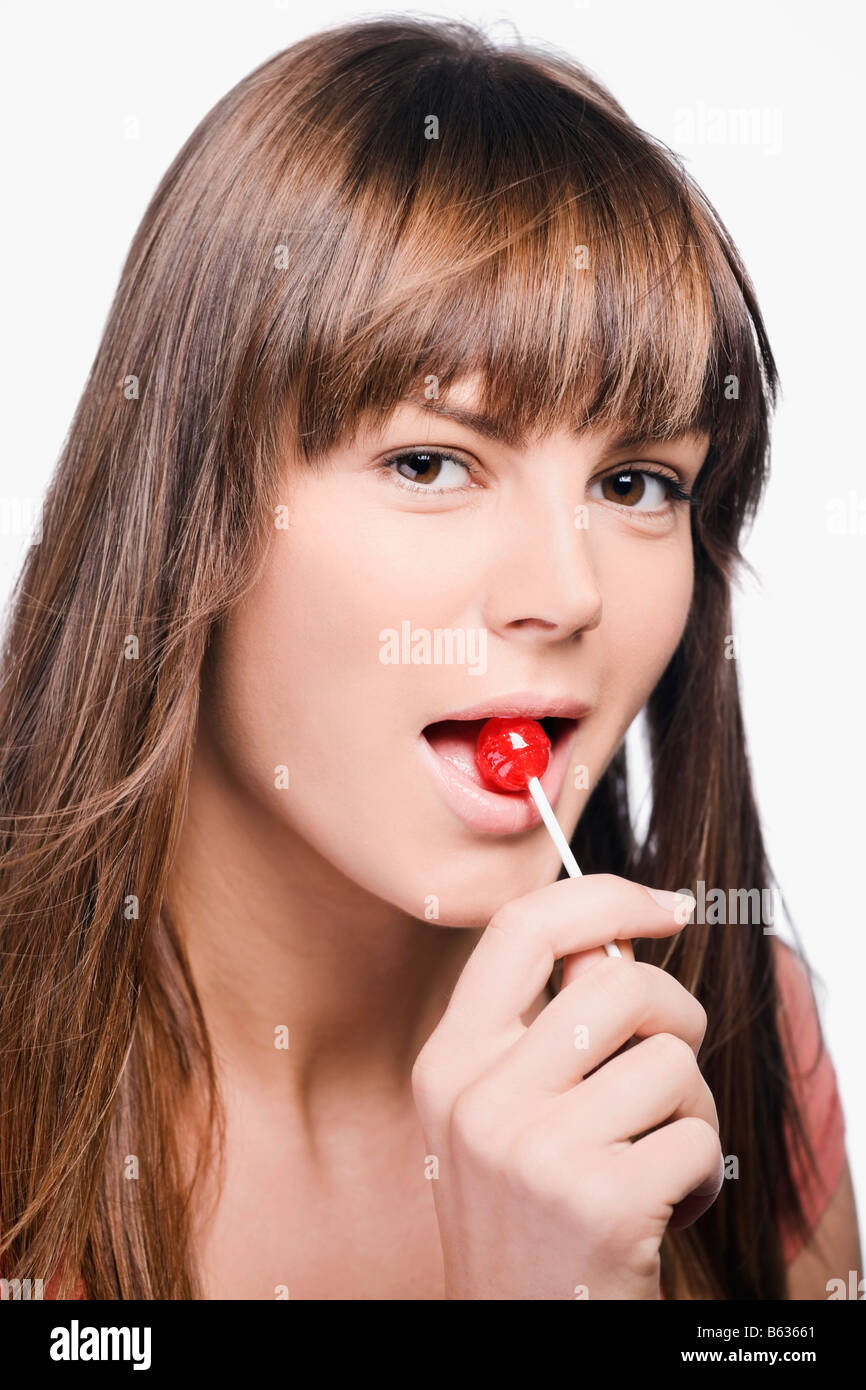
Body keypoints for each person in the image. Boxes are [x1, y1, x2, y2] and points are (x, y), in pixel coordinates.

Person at [0, 16, 858, 1300]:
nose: (566, 594)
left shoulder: (727, 1037)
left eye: (635, 481)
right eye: (428, 461)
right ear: (187, 507)